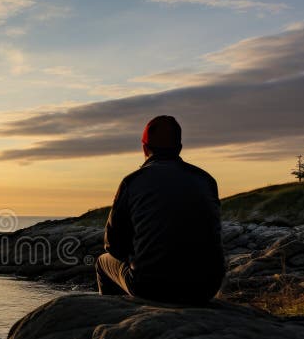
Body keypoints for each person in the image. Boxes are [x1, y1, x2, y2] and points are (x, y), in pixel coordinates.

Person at [95, 115, 225, 304]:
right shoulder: (206, 180)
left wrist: (138, 252)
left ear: (144, 148)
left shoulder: (133, 182)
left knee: (102, 261)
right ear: (179, 148)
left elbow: (112, 246)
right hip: (206, 288)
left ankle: (116, 320)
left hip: (151, 287)